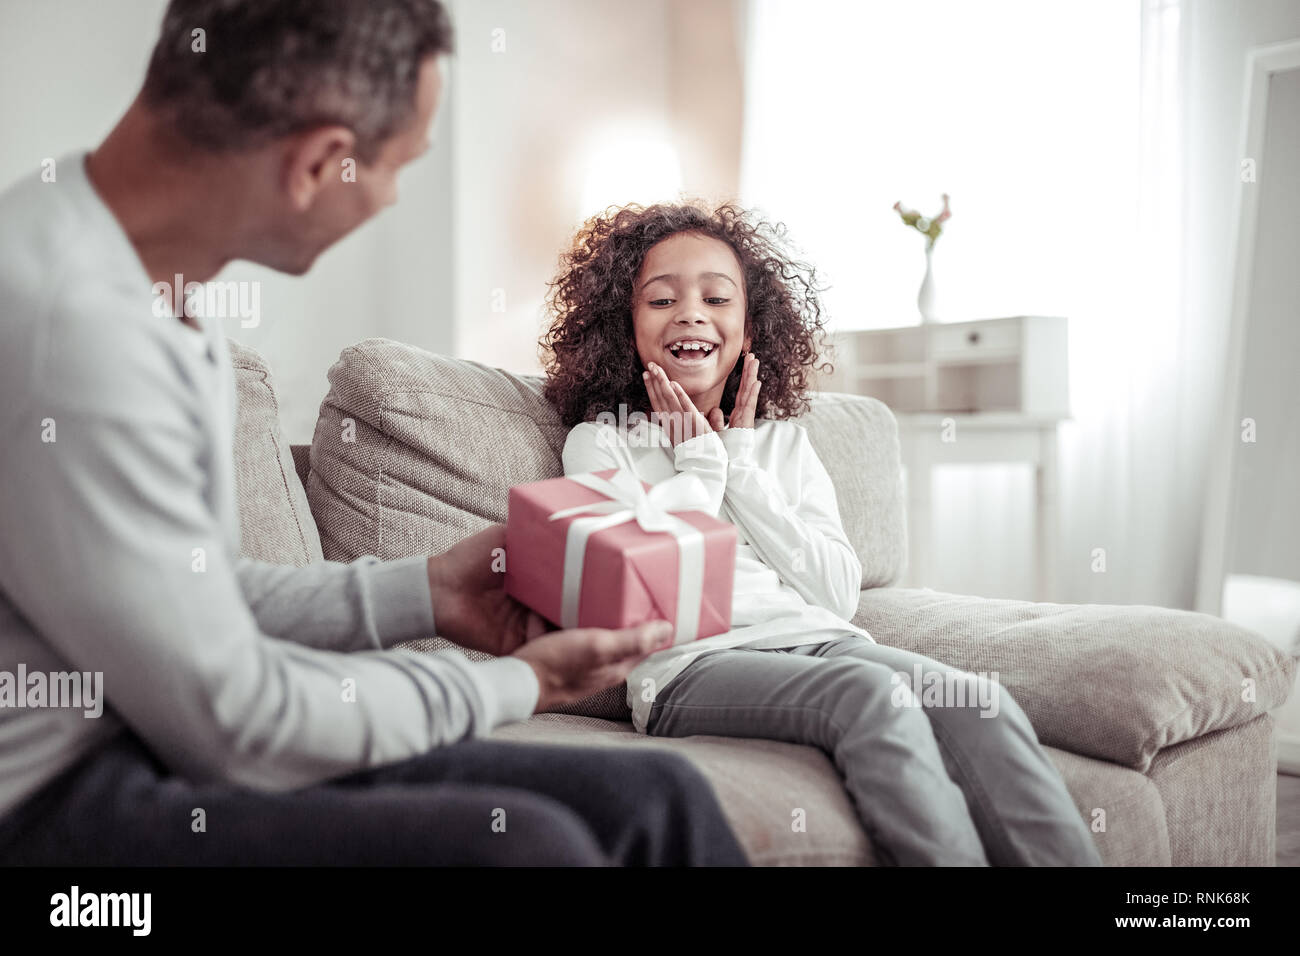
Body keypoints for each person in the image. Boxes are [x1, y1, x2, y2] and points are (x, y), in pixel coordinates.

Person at [0, 0, 748, 867]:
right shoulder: (73, 330)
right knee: (529, 851)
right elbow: (236, 723)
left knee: (657, 798)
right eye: (398, 167)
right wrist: (520, 684)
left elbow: (189, 600)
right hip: (47, 805)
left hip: (153, 746)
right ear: (320, 162)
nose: (393, 197)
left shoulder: (136, 274)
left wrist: (427, 591)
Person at [541, 200, 1104, 866]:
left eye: (716, 297)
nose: (690, 312)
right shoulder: (601, 444)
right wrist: (699, 462)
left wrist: (741, 462)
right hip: (692, 670)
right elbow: (651, 588)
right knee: (870, 695)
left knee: (978, 701)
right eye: (661, 299)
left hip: (823, 645)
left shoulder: (782, 447)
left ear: (749, 328)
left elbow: (836, 595)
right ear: (622, 324)